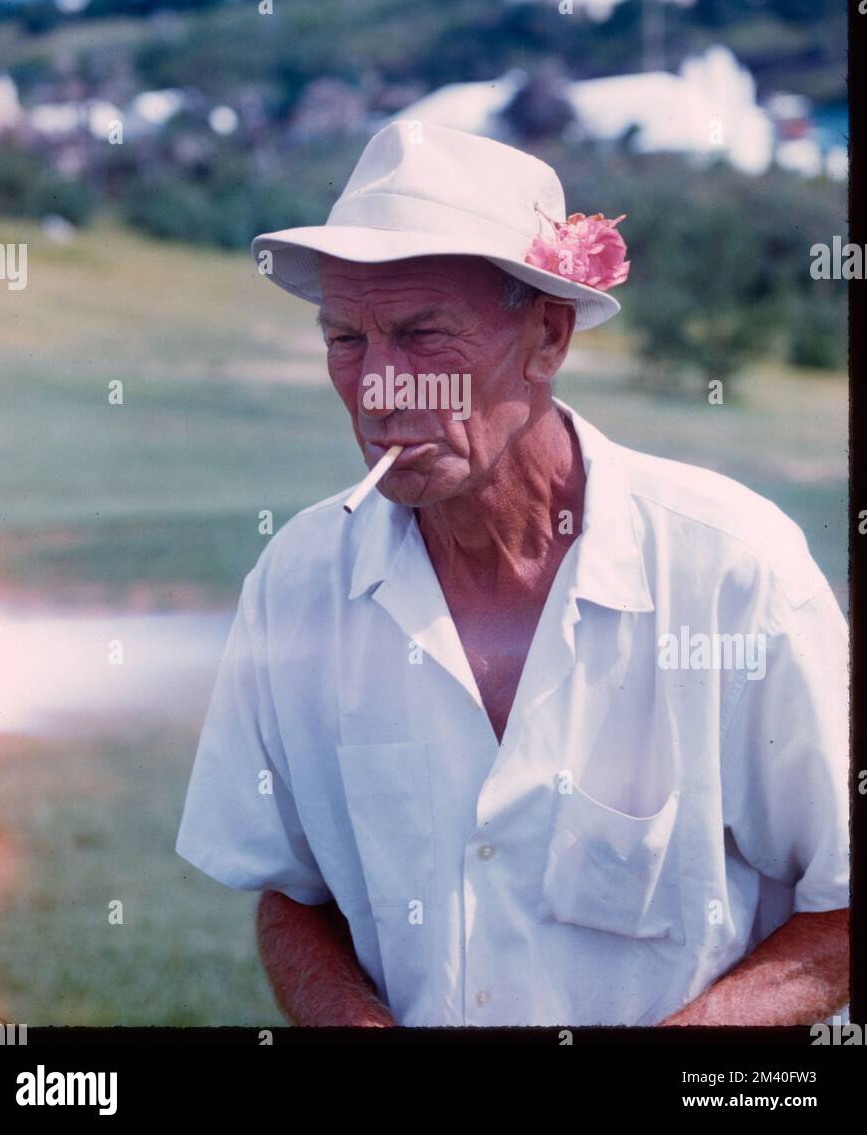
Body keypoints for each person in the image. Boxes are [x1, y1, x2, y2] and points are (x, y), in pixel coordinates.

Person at [175, 120, 849, 1028]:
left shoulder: (731, 569)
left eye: (423, 336)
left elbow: (840, 910)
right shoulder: (297, 582)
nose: (381, 387)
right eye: (346, 340)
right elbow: (295, 896)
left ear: (547, 337)